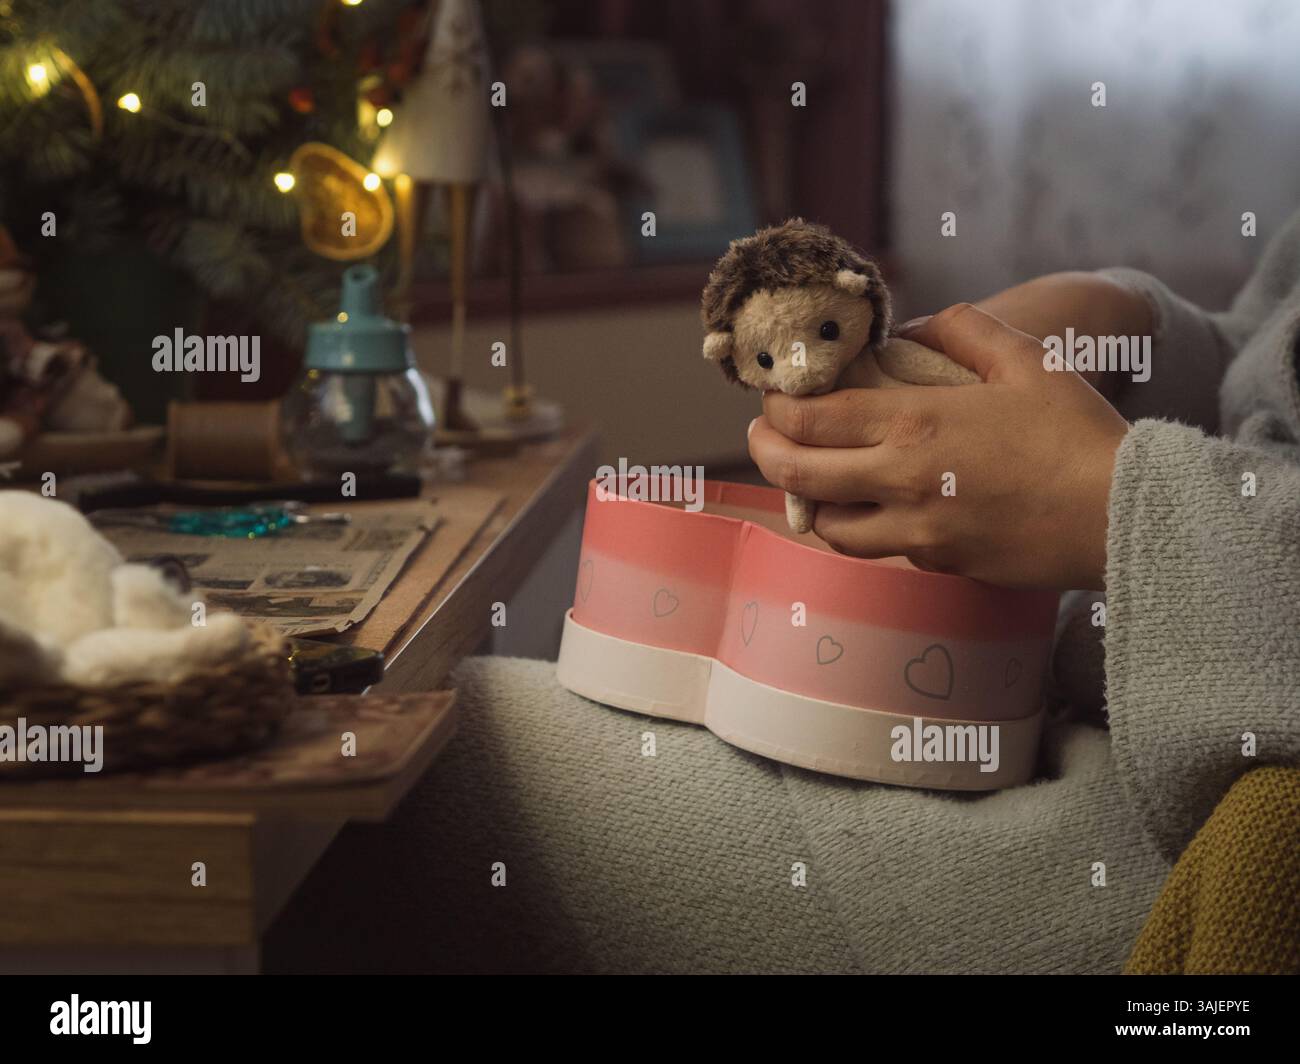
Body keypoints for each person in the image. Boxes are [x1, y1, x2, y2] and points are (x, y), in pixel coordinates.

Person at [266, 215, 1300, 975]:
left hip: (1188, 806)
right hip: (1084, 669)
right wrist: (1129, 334)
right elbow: (1265, 361)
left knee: (393, 764)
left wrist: (1109, 503)